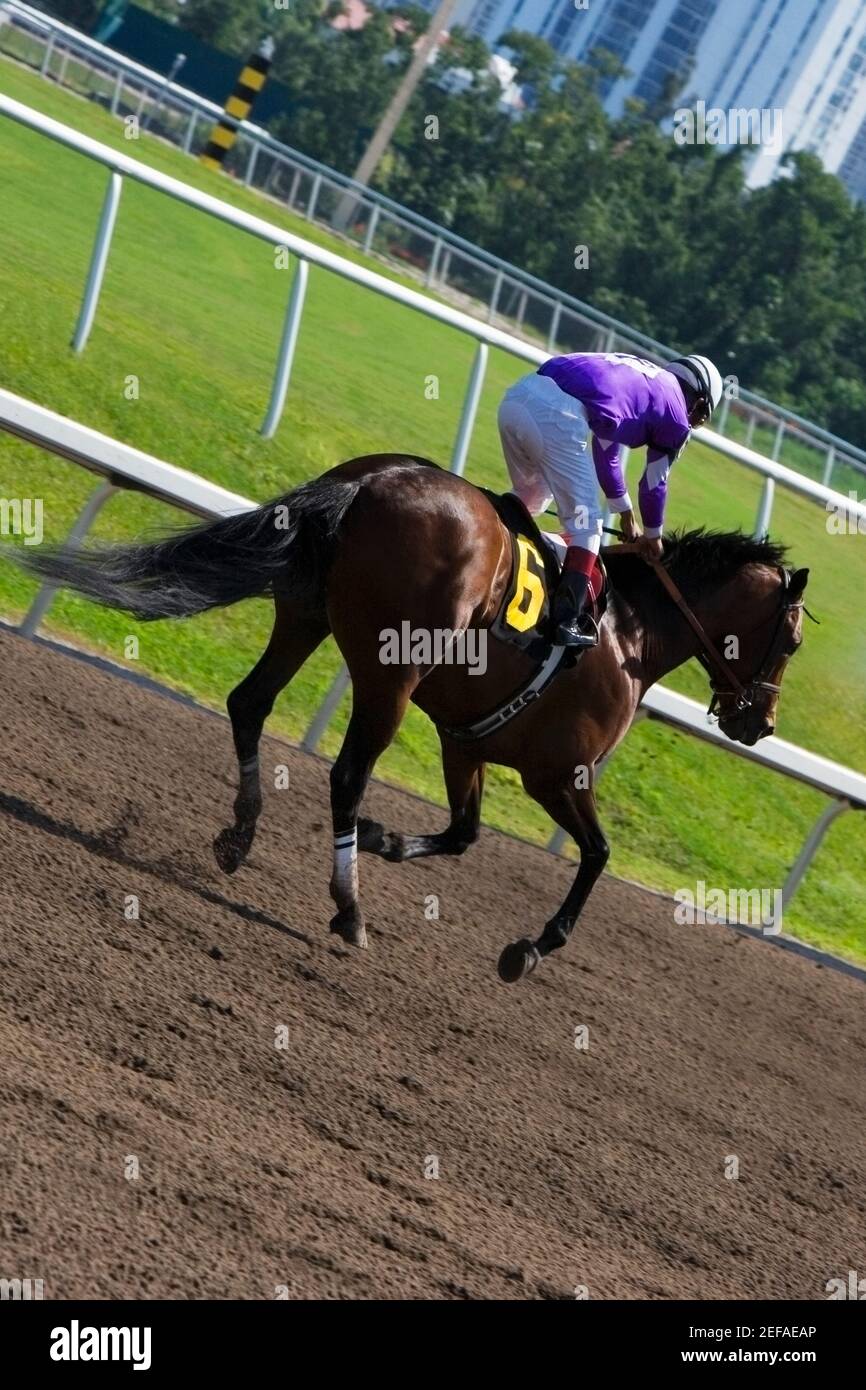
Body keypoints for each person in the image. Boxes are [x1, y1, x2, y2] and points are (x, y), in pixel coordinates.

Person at [497, 351, 724, 647]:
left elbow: (608, 459)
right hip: (556, 416)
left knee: (531, 498)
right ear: (698, 402)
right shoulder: (677, 416)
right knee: (588, 526)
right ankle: (566, 620)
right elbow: (653, 484)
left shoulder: (643, 387)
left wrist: (627, 516)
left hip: (517, 397)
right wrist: (653, 536)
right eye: (700, 416)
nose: (693, 422)